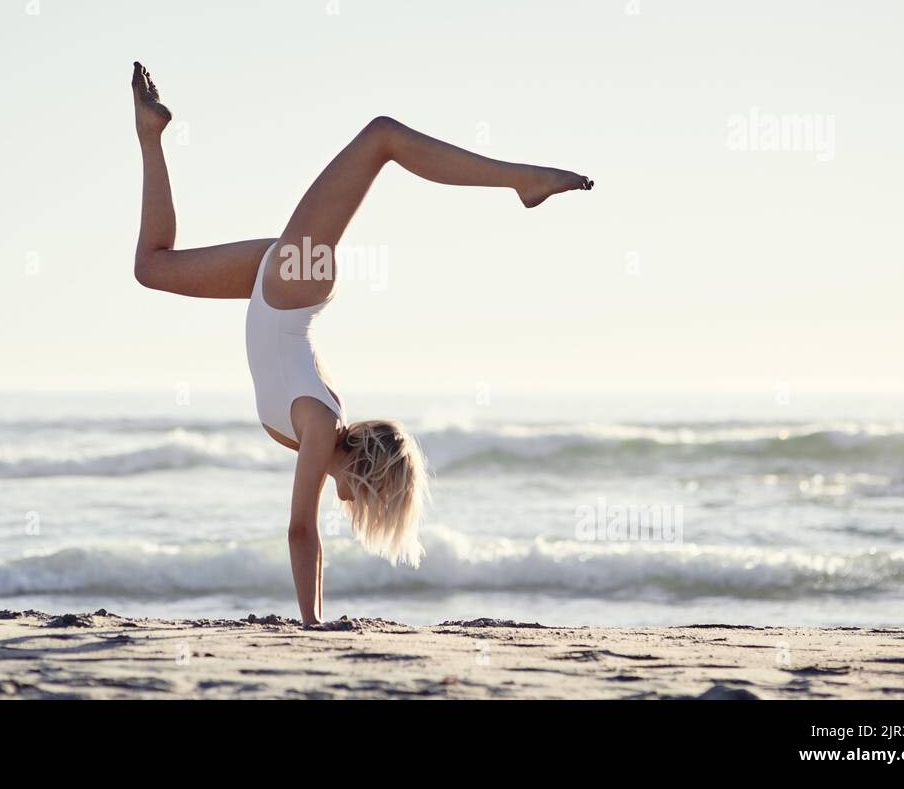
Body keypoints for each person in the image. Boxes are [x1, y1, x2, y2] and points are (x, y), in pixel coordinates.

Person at [130, 62, 592, 625]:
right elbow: (301, 531)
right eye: (373, 500)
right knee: (381, 137)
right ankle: (522, 178)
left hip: (273, 285)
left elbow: (310, 523)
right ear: (367, 477)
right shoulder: (322, 429)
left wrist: (317, 620)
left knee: (152, 268)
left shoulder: (324, 432)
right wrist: (311, 626)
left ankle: (150, 134)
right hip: (292, 282)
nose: (355, 508)